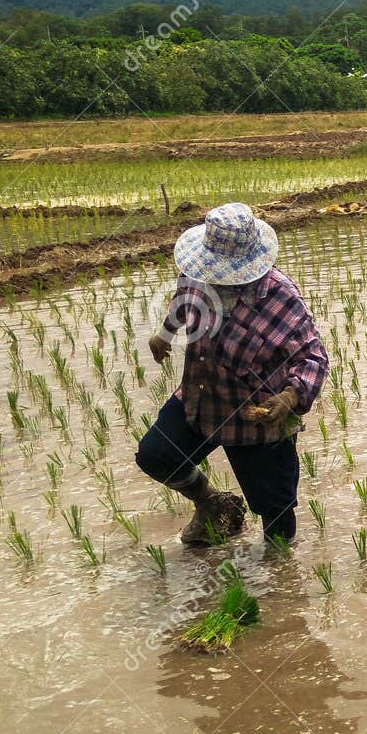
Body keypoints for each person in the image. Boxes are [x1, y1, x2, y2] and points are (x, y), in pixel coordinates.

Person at [135, 202, 329, 546]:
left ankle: (279, 575)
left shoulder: (279, 296)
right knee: (156, 455)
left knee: (276, 515)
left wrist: (290, 396)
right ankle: (212, 504)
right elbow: (182, 301)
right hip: (201, 399)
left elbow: (313, 357)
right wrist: (163, 334)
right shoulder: (197, 273)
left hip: (255, 419)